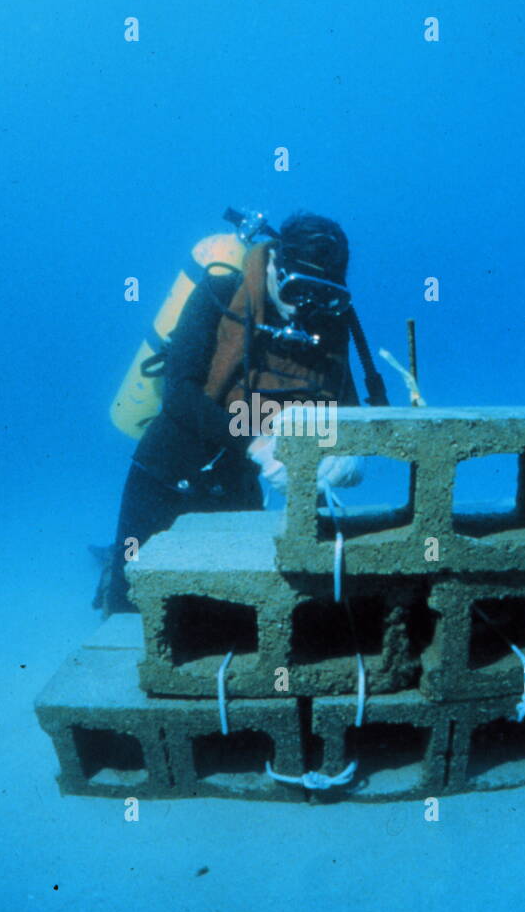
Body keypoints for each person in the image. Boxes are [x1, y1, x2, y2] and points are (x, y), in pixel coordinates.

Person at [98, 212, 366, 614]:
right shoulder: (219, 294)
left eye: (319, 294)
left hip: (236, 485)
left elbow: (348, 409)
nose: (303, 309)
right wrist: (257, 442)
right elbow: (180, 396)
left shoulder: (329, 321)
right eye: (294, 290)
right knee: (130, 606)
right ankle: (112, 571)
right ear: (274, 263)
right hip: (167, 472)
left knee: (225, 615)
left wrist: (349, 451)